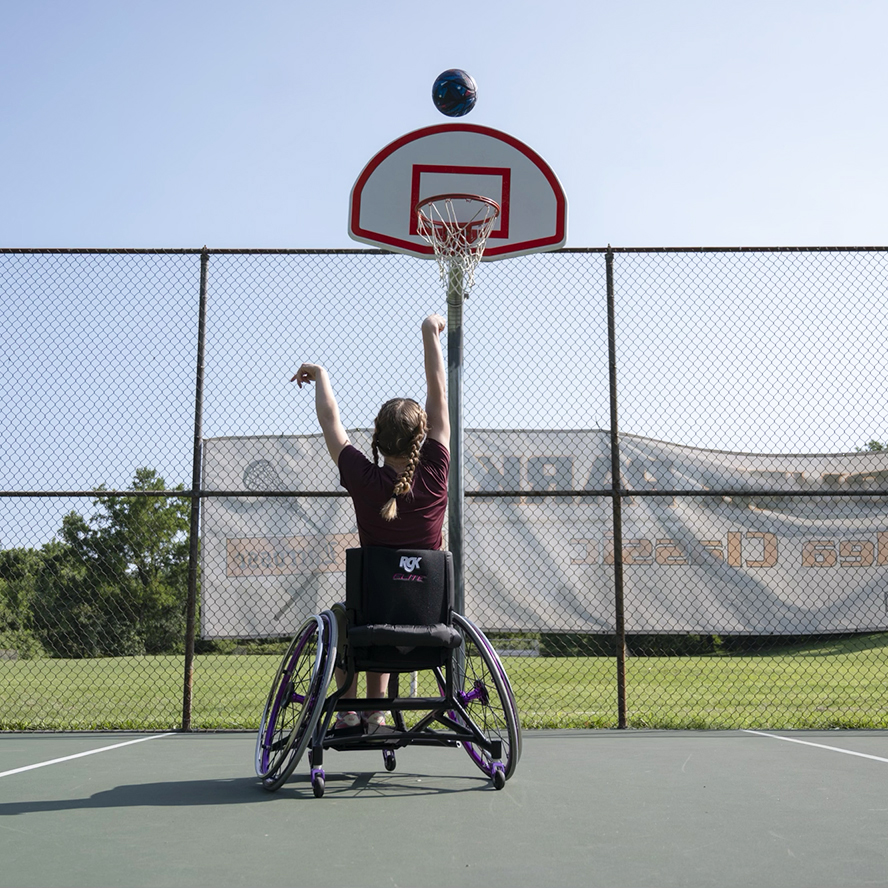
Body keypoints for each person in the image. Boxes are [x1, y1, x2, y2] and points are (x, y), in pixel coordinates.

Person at [291, 313, 450, 731]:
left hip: (374, 621)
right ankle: (376, 707)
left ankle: (347, 707)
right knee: (383, 608)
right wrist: (428, 332)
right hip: (428, 618)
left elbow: (331, 423)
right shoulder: (435, 471)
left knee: (344, 618)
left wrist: (322, 374)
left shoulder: (363, 478)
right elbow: (439, 389)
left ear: (376, 439)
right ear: (425, 435)